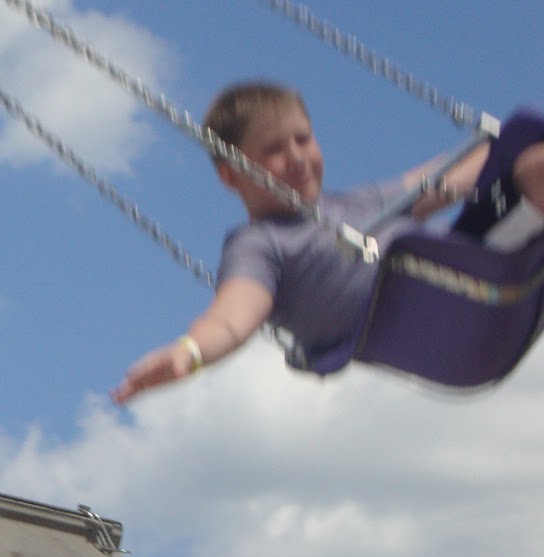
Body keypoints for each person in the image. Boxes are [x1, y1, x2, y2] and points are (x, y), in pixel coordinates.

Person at [111, 81, 544, 404]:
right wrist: (192, 350)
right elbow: (233, 316)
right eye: (273, 150)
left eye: (303, 139)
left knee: (529, 153)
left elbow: (447, 177)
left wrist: (504, 144)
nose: (297, 157)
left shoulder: (358, 203)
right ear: (231, 174)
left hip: (497, 288)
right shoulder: (260, 245)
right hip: (456, 327)